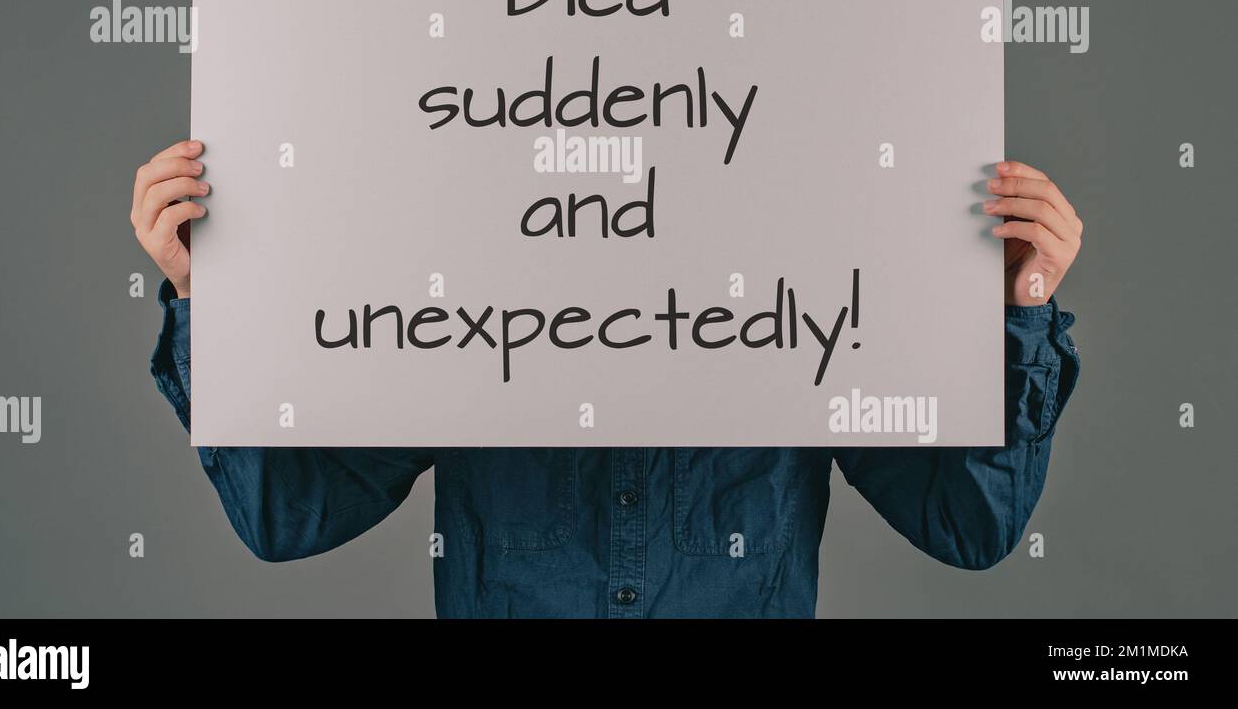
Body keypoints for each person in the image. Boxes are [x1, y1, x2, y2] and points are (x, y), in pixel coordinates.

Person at [133, 139, 1082, 618]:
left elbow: (969, 524)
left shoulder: (809, 306)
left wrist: (1019, 308)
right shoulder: (458, 314)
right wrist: (209, 299)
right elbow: (287, 516)